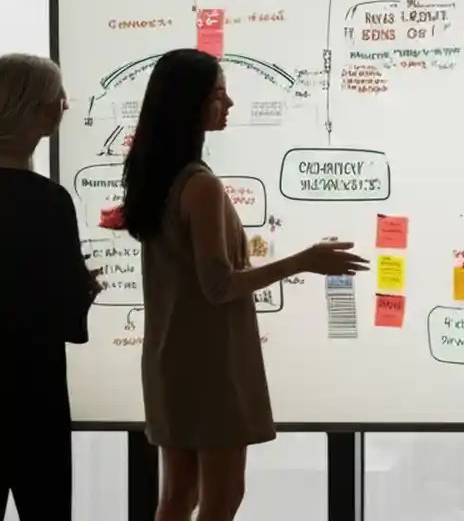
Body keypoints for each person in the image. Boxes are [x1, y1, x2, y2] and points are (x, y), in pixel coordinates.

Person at [121, 49, 368, 521]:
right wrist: (305, 260)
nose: (229, 103)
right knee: (221, 497)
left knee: (177, 496)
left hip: (170, 357)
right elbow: (218, 286)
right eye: (218, 94)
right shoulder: (201, 186)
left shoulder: (158, 180)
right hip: (210, 362)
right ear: (190, 103)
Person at [0, 53, 102, 520]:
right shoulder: (49, 202)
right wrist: (85, 289)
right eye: (60, 98)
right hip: (32, 390)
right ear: (39, 110)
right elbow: (65, 315)